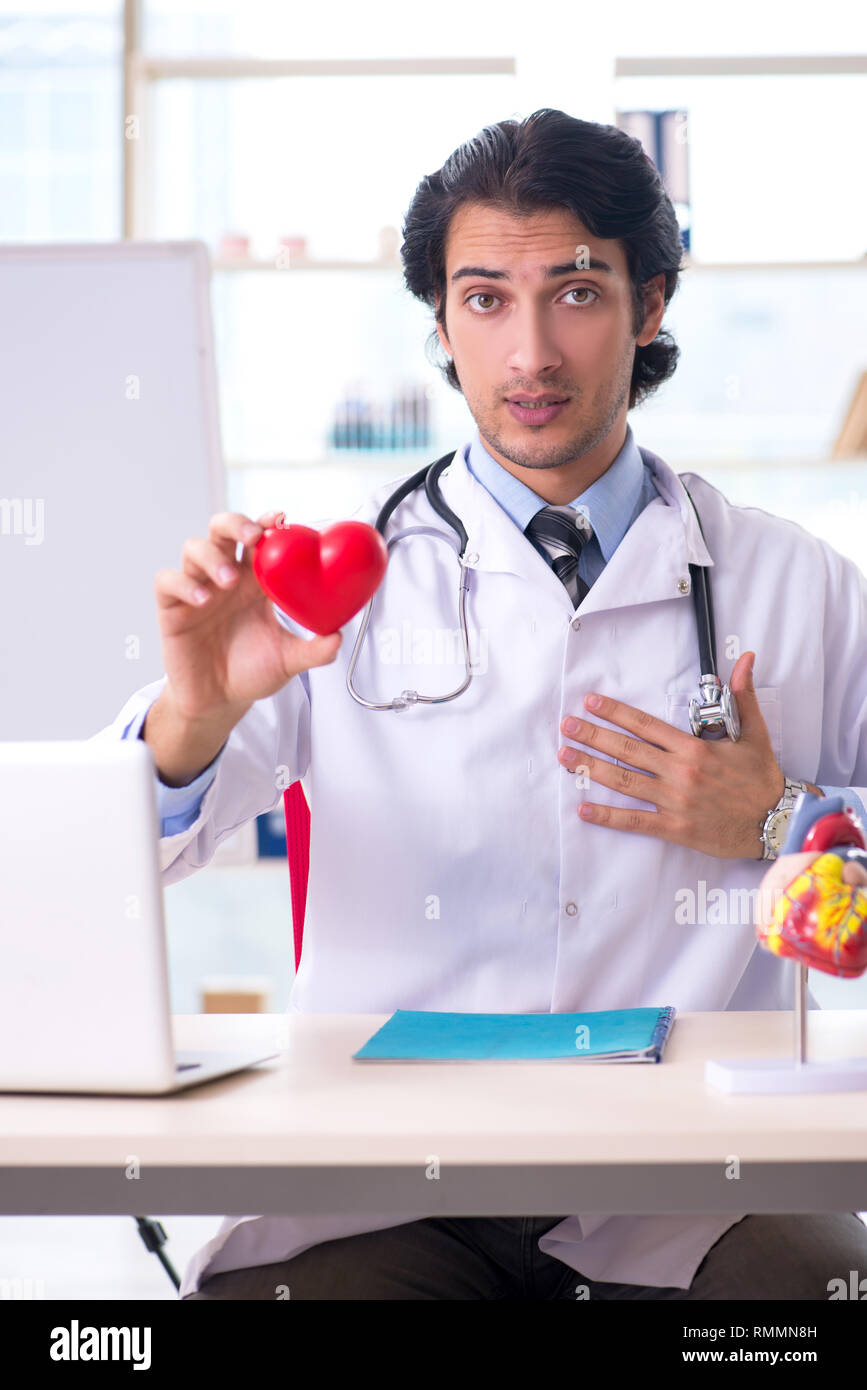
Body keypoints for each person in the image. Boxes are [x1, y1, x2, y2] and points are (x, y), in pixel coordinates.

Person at [94, 109, 867, 1300]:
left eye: (575, 291)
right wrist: (195, 715)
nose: (531, 356)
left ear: (649, 305)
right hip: (389, 1188)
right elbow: (96, 867)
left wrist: (782, 823)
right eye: (485, 299)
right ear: (443, 326)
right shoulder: (323, 587)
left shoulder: (797, 584)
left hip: (692, 1195)